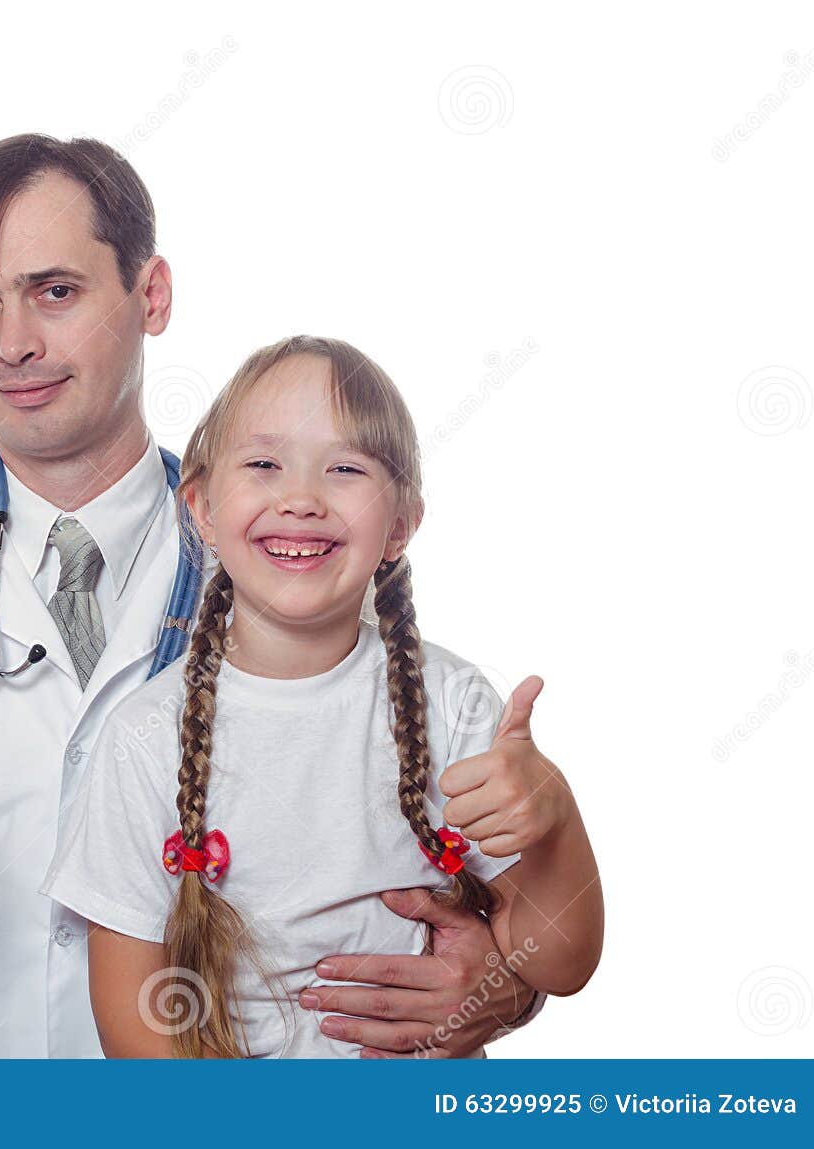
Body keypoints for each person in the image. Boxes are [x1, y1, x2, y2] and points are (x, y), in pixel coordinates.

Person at [0, 135, 554, 1057]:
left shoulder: (286, 555)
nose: (14, 344)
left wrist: (504, 979)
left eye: (55, 291)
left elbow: (443, 866)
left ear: (151, 295)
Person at [44, 336, 604, 1057]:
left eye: (345, 469)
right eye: (264, 465)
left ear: (400, 524)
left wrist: (555, 815)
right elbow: (133, 1029)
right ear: (203, 508)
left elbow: (561, 964)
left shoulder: (456, 706)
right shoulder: (144, 737)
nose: (302, 498)